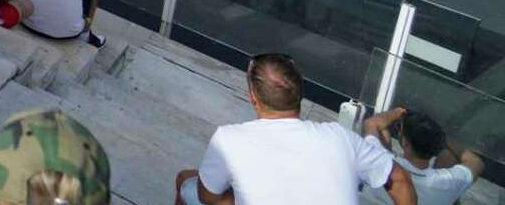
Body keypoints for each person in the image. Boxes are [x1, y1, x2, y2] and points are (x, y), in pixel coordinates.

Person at [178, 53, 417, 205]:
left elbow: (208, 197)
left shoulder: (228, 140)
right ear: (300, 94)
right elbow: (400, 180)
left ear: (253, 97)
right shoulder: (339, 137)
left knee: (187, 181)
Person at [361, 107, 484, 205]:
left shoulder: (381, 162)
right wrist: (441, 139)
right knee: (449, 155)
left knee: (382, 131)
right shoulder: (450, 182)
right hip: (438, 192)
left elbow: (372, 123)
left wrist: (399, 111)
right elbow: (476, 162)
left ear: (405, 143)